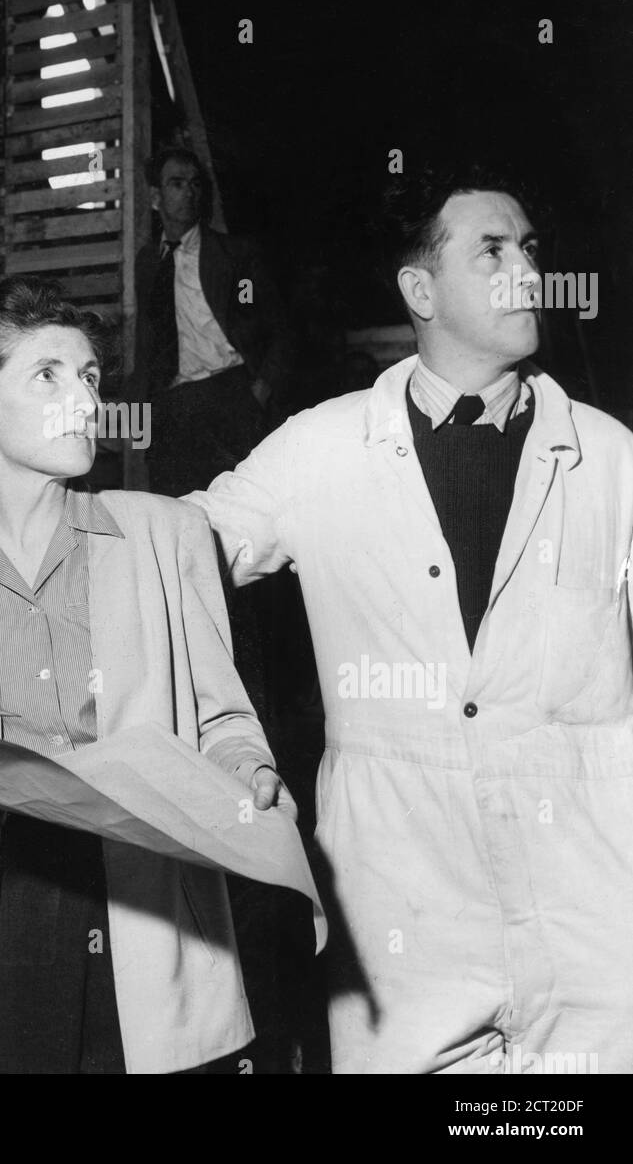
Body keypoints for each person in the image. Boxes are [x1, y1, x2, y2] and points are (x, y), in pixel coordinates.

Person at [186, 163, 633, 1073]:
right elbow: (173, 549)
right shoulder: (322, 448)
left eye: (530, 251)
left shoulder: (608, 455)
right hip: (406, 914)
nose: (526, 274)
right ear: (419, 290)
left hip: (589, 905)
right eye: (493, 252)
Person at [0, 279, 284, 1074]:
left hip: (150, 904)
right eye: (46, 375)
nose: (83, 399)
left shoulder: (166, 536)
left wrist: (245, 769)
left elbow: (223, 718)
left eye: (87, 376)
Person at [134, 146, 292, 496]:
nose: (189, 192)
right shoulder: (148, 262)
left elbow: (278, 330)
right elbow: (147, 341)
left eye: (194, 184)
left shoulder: (234, 256)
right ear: (156, 196)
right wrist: (143, 416)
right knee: (176, 519)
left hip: (229, 396)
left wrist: (259, 392)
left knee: (241, 511)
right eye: (177, 183)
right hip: (172, 407)